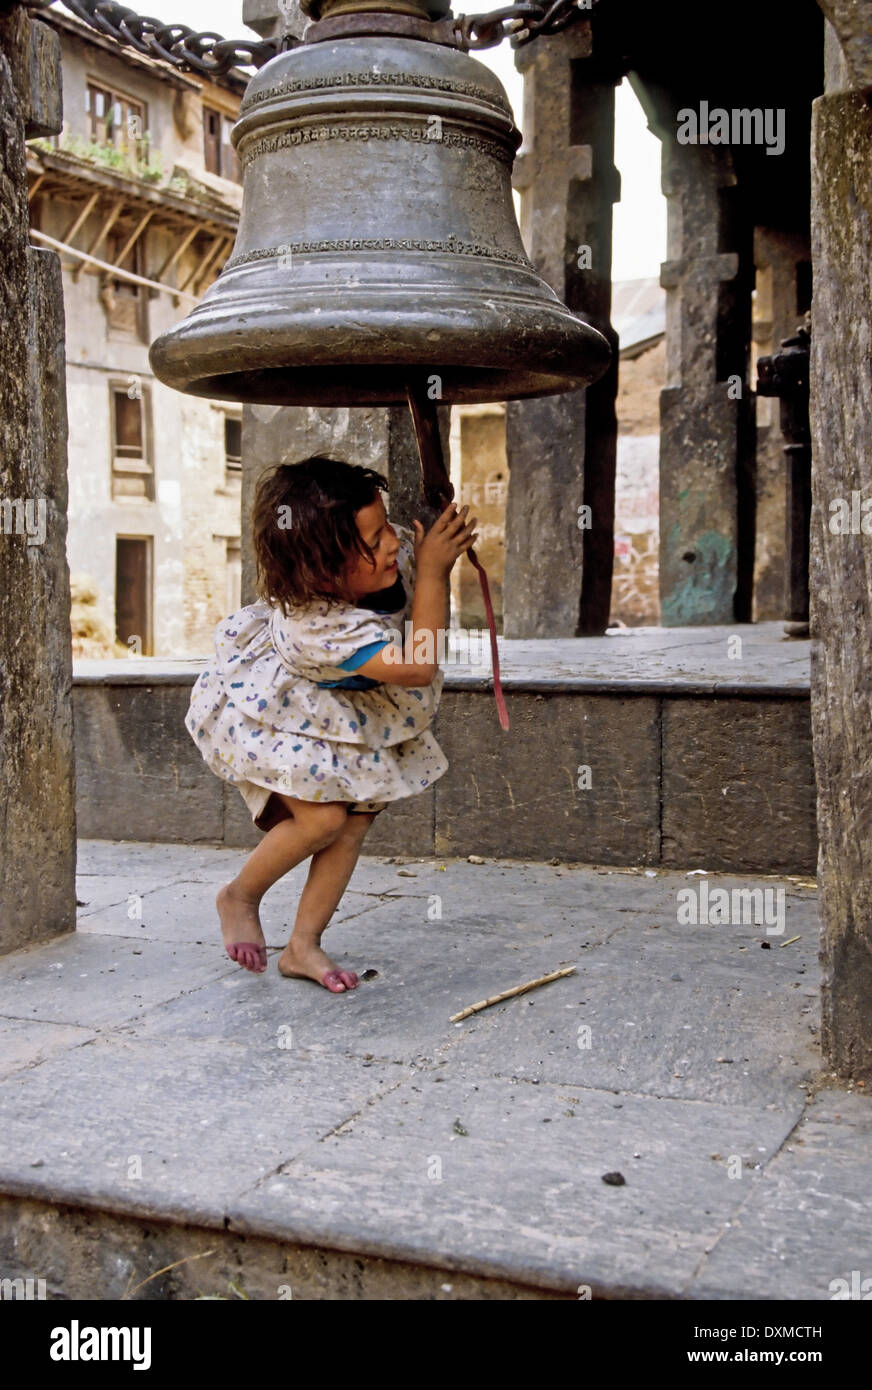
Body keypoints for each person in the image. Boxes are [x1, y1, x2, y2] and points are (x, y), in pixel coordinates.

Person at [186, 455, 477, 992]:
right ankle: (240, 895)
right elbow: (417, 666)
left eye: (385, 525)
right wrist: (435, 571)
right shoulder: (321, 628)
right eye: (373, 538)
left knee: (351, 824)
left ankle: (302, 945)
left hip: (338, 715)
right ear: (323, 571)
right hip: (278, 717)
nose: (392, 542)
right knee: (321, 821)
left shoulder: (365, 568)